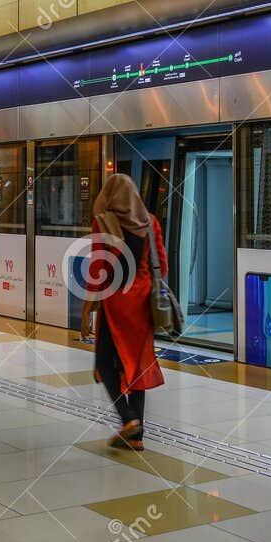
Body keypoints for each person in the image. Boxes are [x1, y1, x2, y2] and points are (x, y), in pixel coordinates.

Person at [80, 173, 165, 451]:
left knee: (105, 362)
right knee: (138, 366)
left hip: (115, 302)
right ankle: (137, 435)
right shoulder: (151, 222)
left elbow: (97, 271)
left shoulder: (103, 222)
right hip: (142, 305)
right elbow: (161, 266)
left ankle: (128, 419)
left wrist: (87, 310)